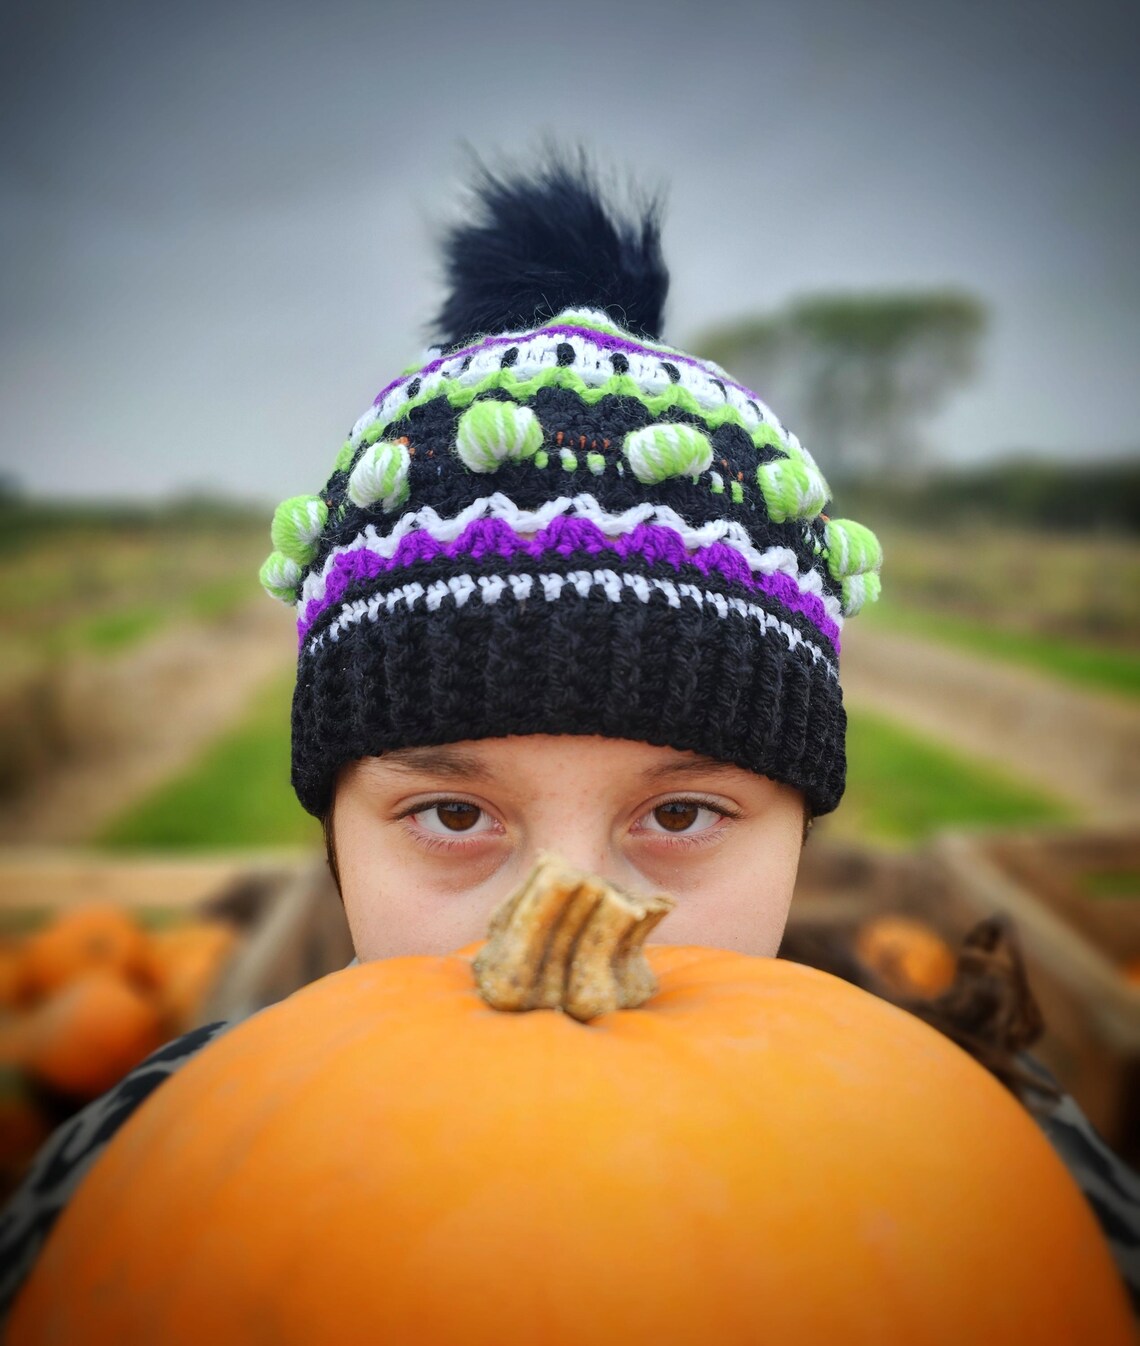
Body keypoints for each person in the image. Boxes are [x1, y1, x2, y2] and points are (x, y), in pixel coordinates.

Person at [1, 152, 1136, 1319]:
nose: (565, 915)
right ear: (334, 833)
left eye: (682, 813)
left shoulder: (985, 1174)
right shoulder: (162, 1171)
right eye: (452, 814)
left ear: (803, 824)